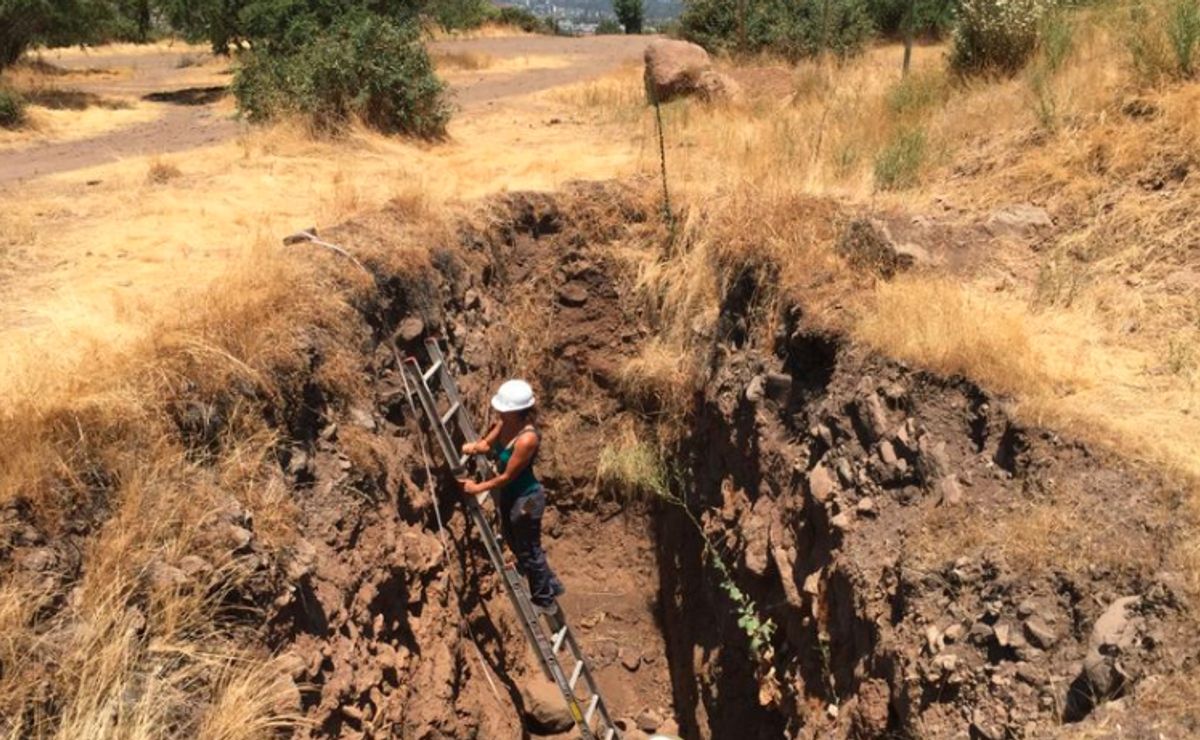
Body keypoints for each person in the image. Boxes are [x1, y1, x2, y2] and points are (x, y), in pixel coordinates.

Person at [459, 379, 565, 613]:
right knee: (511, 535)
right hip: (511, 494)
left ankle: (545, 601)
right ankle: (552, 584)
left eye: (504, 409)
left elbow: (507, 476)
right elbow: (487, 445)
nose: (499, 412)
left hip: (529, 498)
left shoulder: (527, 438)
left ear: (517, 411)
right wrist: (473, 447)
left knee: (528, 547)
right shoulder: (503, 423)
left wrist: (478, 488)